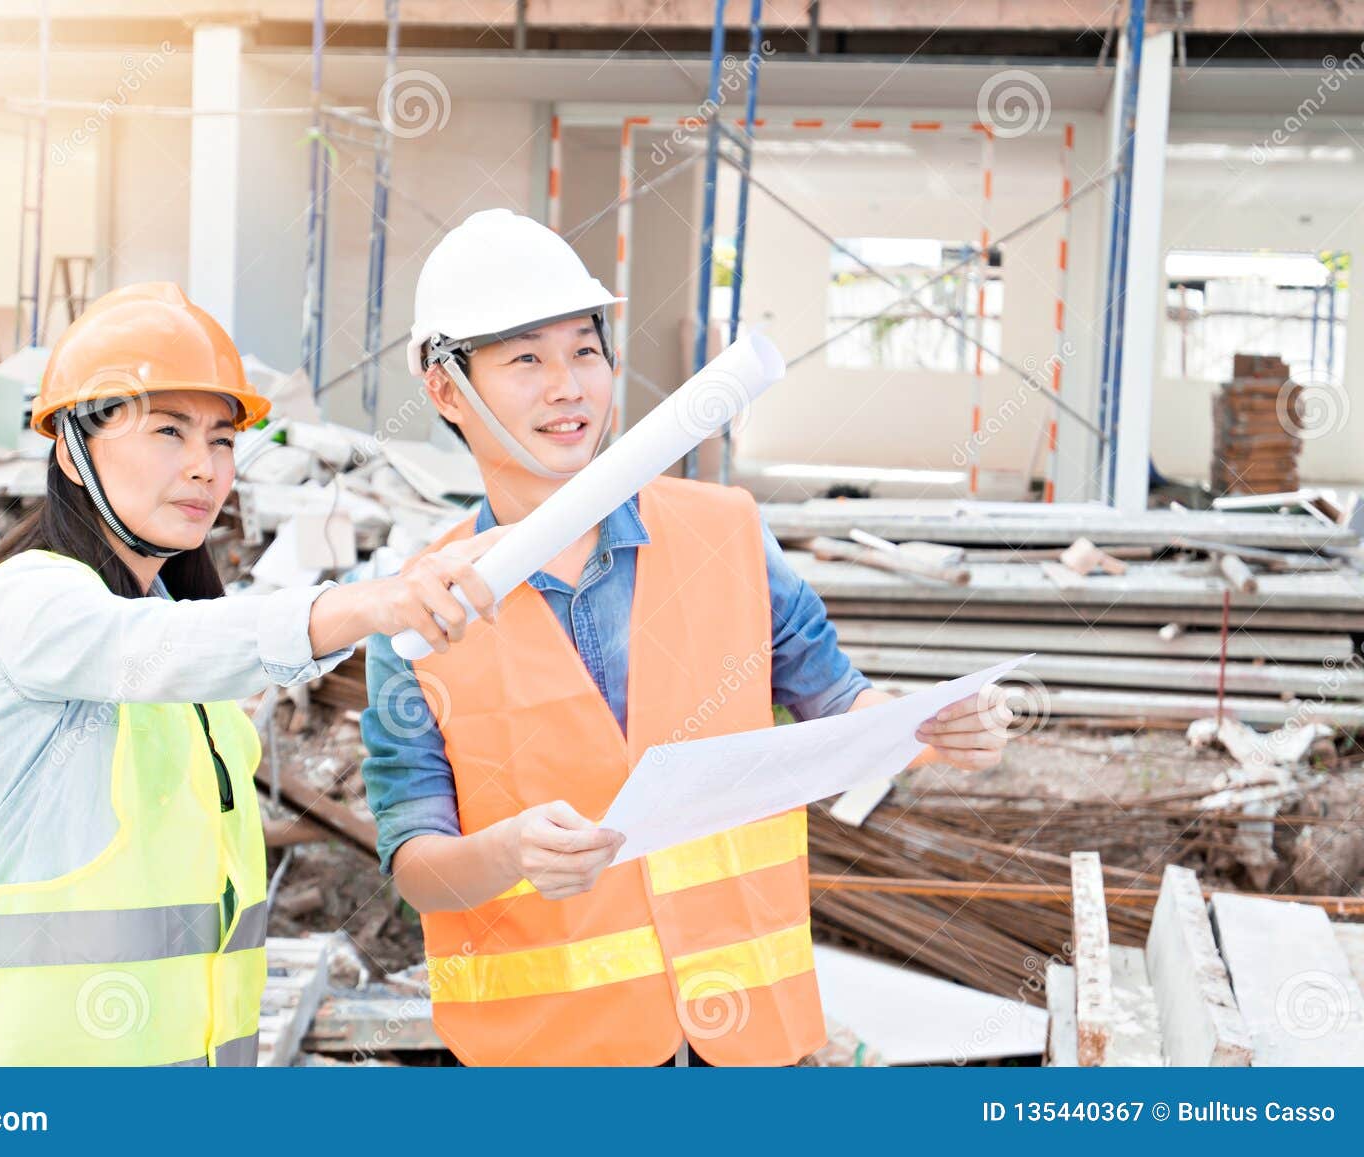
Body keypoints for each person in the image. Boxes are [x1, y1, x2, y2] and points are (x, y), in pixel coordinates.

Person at [361, 209, 1014, 1067]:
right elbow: (418, 865)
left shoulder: (727, 532)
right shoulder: (421, 612)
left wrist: (935, 727)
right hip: (550, 1060)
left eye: (583, 351)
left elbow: (845, 704)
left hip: (745, 1044)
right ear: (446, 388)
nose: (568, 387)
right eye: (526, 358)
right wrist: (507, 852)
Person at [0, 282, 500, 1066]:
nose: (204, 467)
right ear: (72, 453)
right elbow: (147, 648)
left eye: (222, 440)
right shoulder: (29, 602)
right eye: (168, 432)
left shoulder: (171, 618)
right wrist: (372, 604)